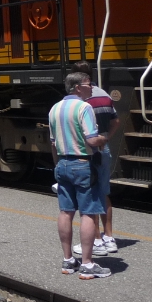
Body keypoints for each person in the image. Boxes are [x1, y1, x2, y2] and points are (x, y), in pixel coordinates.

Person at [48, 72, 111, 280]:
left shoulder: (54, 108)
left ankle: (68, 261)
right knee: (89, 213)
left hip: (63, 164)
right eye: (88, 84)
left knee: (66, 211)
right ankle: (87, 264)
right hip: (83, 163)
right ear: (77, 88)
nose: (91, 87)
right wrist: (104, 138)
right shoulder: (84, 108)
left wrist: (58, 166)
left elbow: (52, 143)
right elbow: (92, 140)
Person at [71, 61, 120, 256]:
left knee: (91, 194)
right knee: (104, 193)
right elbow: (115, 121)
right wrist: (106, 139)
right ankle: (109, 237)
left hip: (89, 151)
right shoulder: (105, 95)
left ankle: (97, 239)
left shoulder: (82, 100)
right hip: (104, 147)